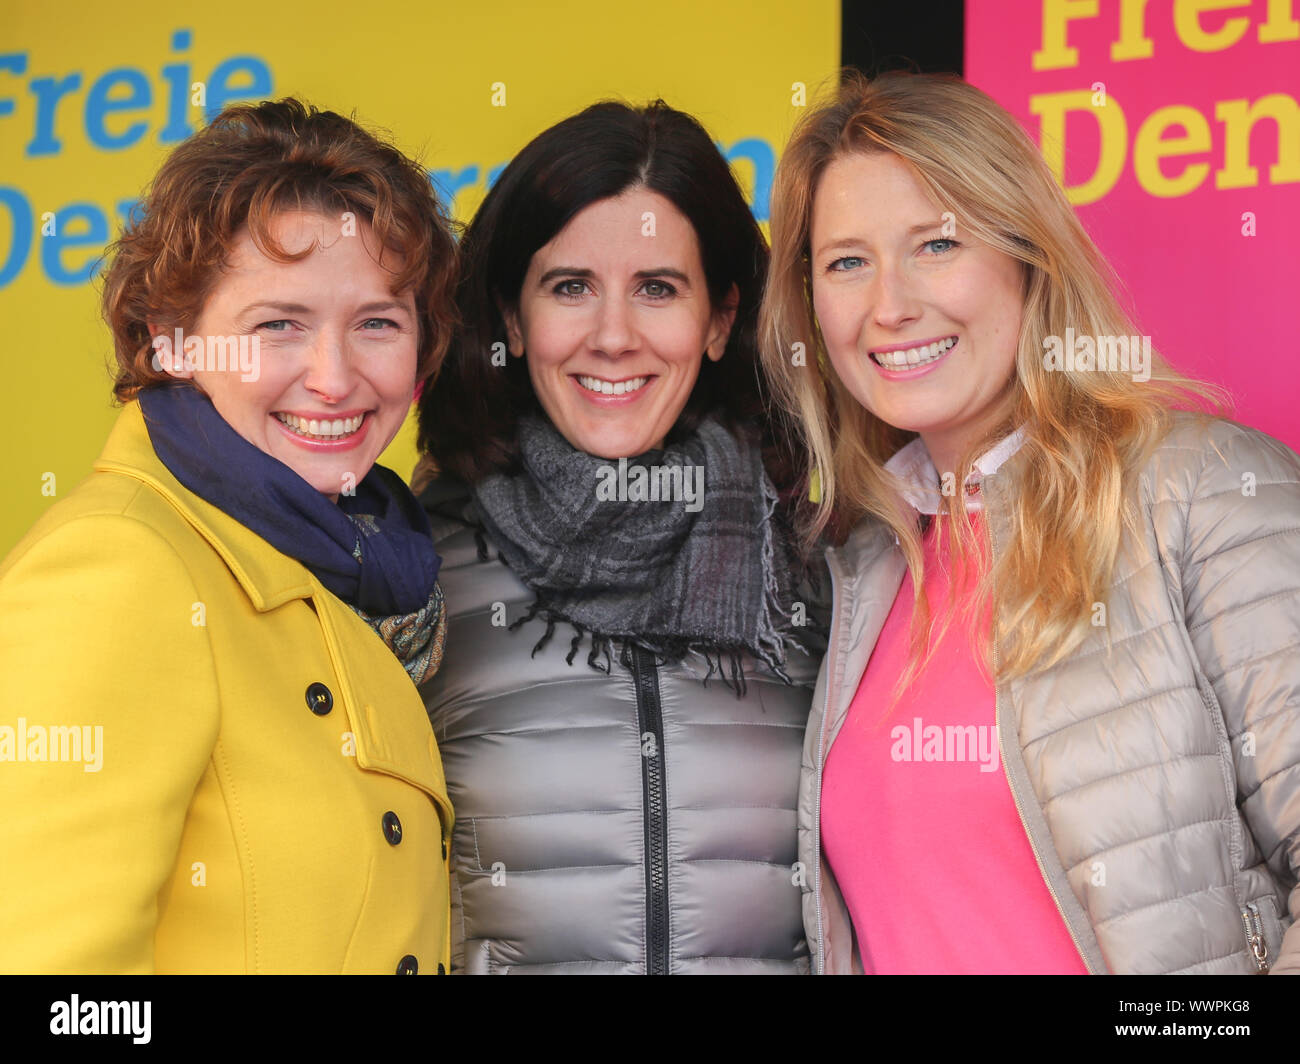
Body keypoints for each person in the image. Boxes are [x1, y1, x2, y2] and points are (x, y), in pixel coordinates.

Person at [759, 70, 1300, 975]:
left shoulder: (1199, 494)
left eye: (936, 244)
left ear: (1027, 254)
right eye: (846, 261)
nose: (890, 303)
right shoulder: (864, 563)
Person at [0, 98, 459, 974]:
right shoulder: (121, 567)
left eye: (376, 323)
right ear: (171, 343)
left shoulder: (354, 566)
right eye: (276, 325)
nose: (333, 378)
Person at [413, 99, 826, 974]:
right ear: (512, 321)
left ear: (718, 321)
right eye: (570, 287)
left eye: (658, 289)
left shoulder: (819, 571)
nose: (611, 336)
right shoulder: (411, 572)